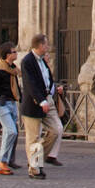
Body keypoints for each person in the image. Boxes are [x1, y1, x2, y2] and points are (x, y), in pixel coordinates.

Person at [20, 33, 64, 180]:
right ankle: (35, 168)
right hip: (33, 103)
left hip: (48, 99)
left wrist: (51, 93)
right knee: (33, 138)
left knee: (56, 129)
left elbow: (47, 79)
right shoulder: (27, 61)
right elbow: (30, 83)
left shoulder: (42, 61)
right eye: (46, 44)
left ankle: (36, 161)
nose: (48, 46)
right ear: (40, 46)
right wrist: (41, 100)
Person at [0, 43, 21, 175]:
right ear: (8, 55)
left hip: (12, 103)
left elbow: (16, 87)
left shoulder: (12, 69)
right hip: (2, 104)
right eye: (14, 52)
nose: (16, 53)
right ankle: (2, 161)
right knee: (11, 131)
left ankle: (4, 163)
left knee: (11, 132)